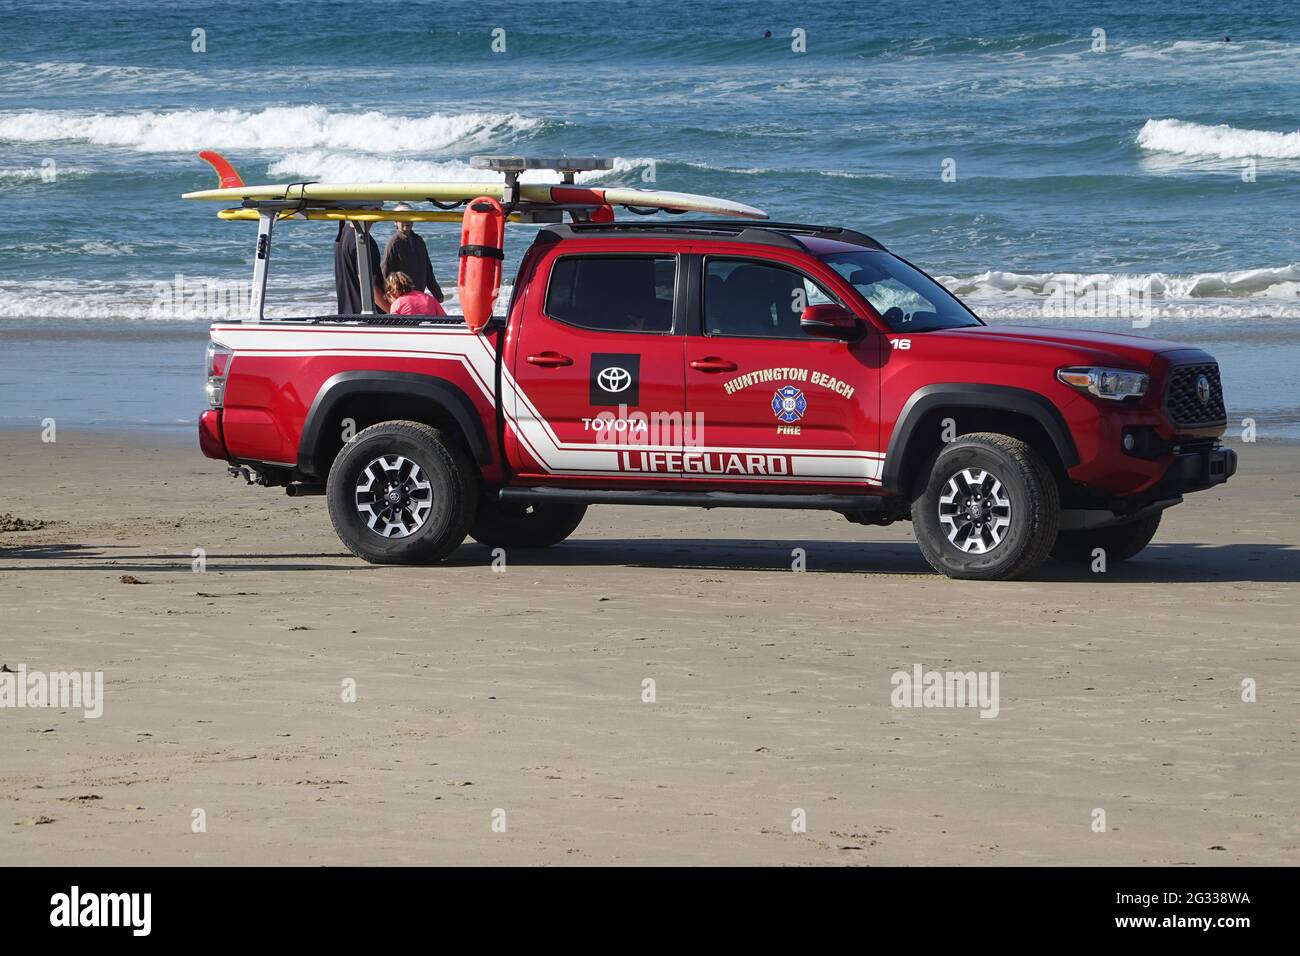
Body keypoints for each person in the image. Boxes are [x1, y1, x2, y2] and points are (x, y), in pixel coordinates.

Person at [382, 202, 444, 303]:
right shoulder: (393, 243)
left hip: (419, 295)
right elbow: (385, 272)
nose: (407, 221)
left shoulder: (418, 241)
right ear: (395, 221)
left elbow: (428, 270)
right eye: (402, 218)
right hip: (401, 297)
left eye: (409, 217)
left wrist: (437, 294)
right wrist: (389, 300)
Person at [334, 220, 388, 315]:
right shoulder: (363, 241)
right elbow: (369, 288)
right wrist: (392, 311)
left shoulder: (343, 233)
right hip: (366, 318)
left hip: (346, 314)